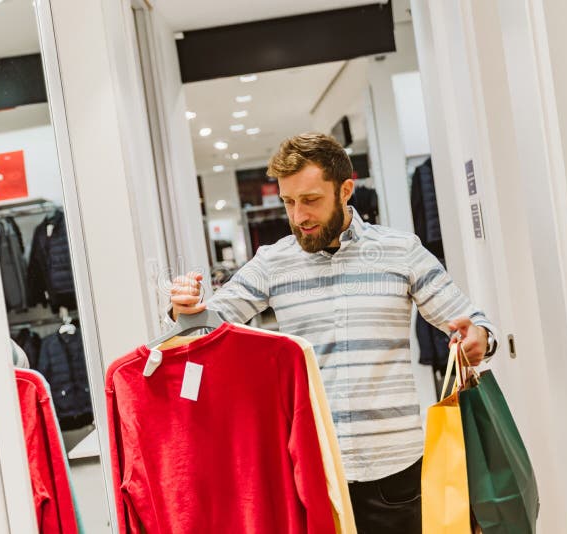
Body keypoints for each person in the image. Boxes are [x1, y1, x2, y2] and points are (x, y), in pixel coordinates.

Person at [170, 133, 498, 534]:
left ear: (345, 190)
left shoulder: (400, 251)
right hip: (313, 470)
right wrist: (184, 309)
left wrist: (479, 337)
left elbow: (471, 321)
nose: (298, 216)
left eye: (310, 200)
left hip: (395, 469)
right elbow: (206, 328)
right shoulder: (272, 262)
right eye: (288, 202)